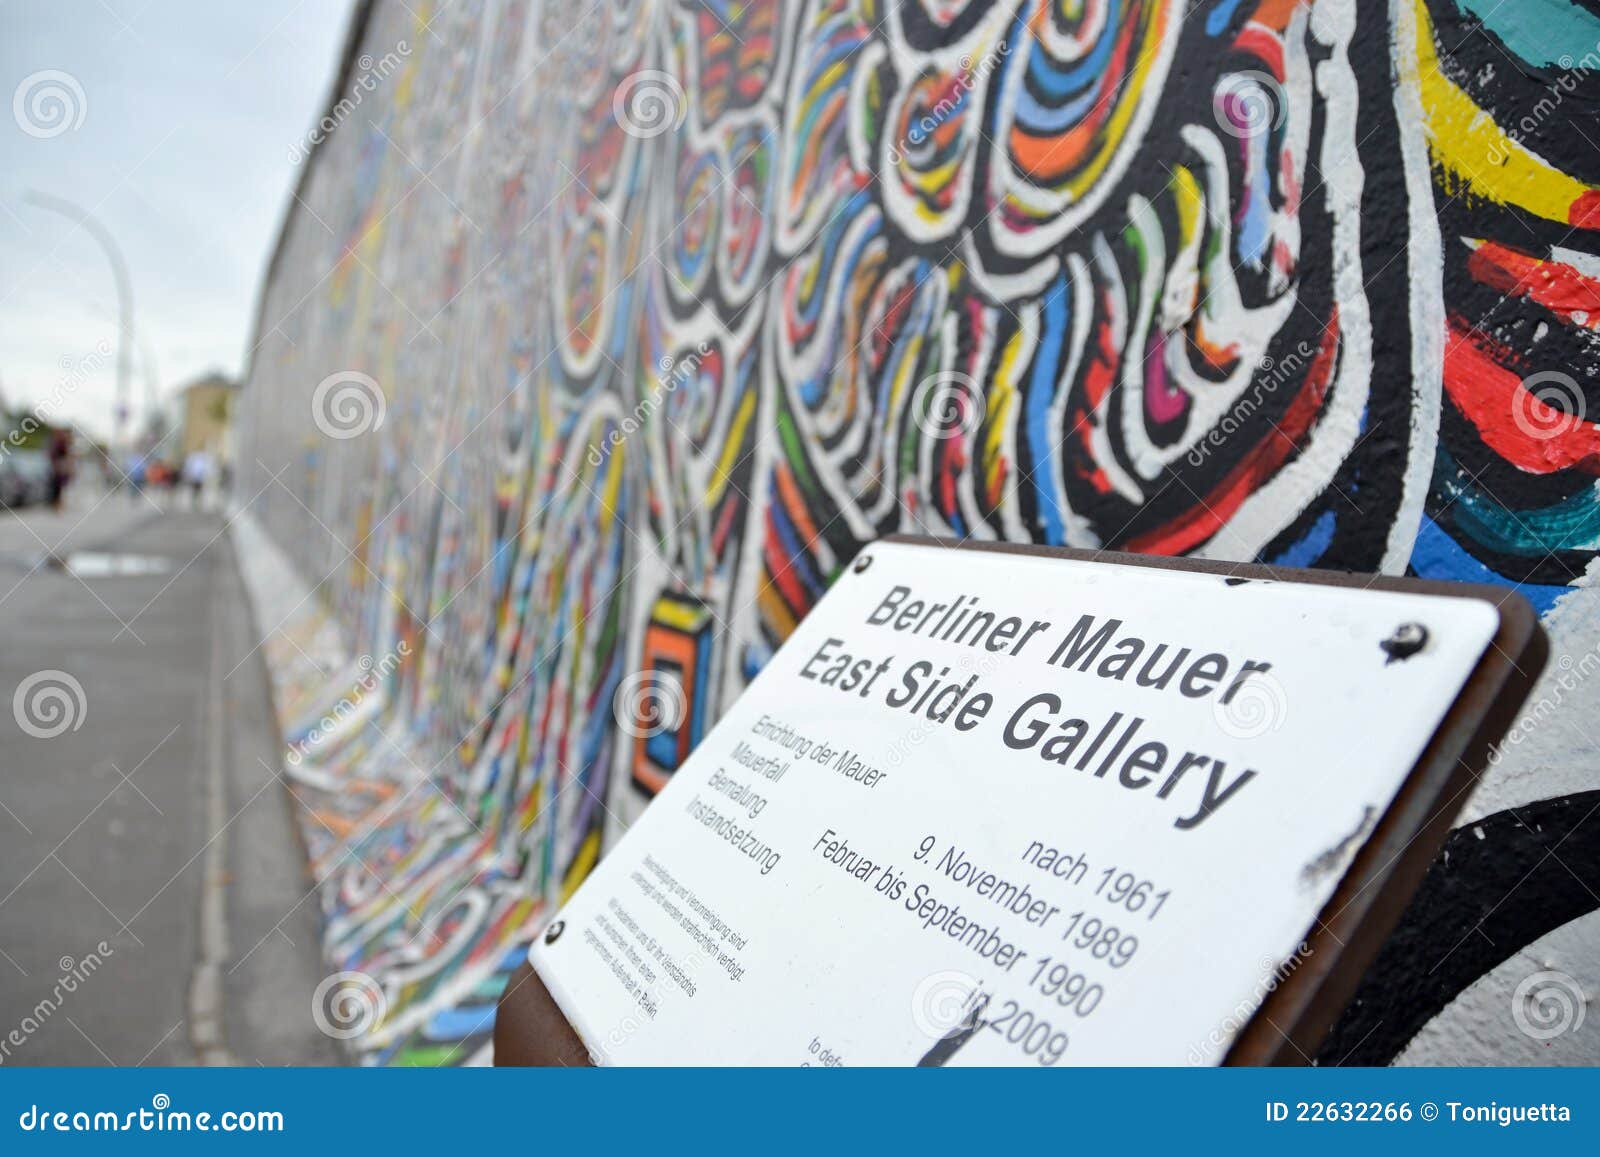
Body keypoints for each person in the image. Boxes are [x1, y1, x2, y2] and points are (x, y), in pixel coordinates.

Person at [47, 428, 72, 512]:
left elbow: (67, 457)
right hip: (57, 469)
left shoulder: (61, 444)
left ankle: (59, 506)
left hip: (60, 468)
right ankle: (57, 506)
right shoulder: (56, 444)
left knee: (60, 487)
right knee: (57, 487)